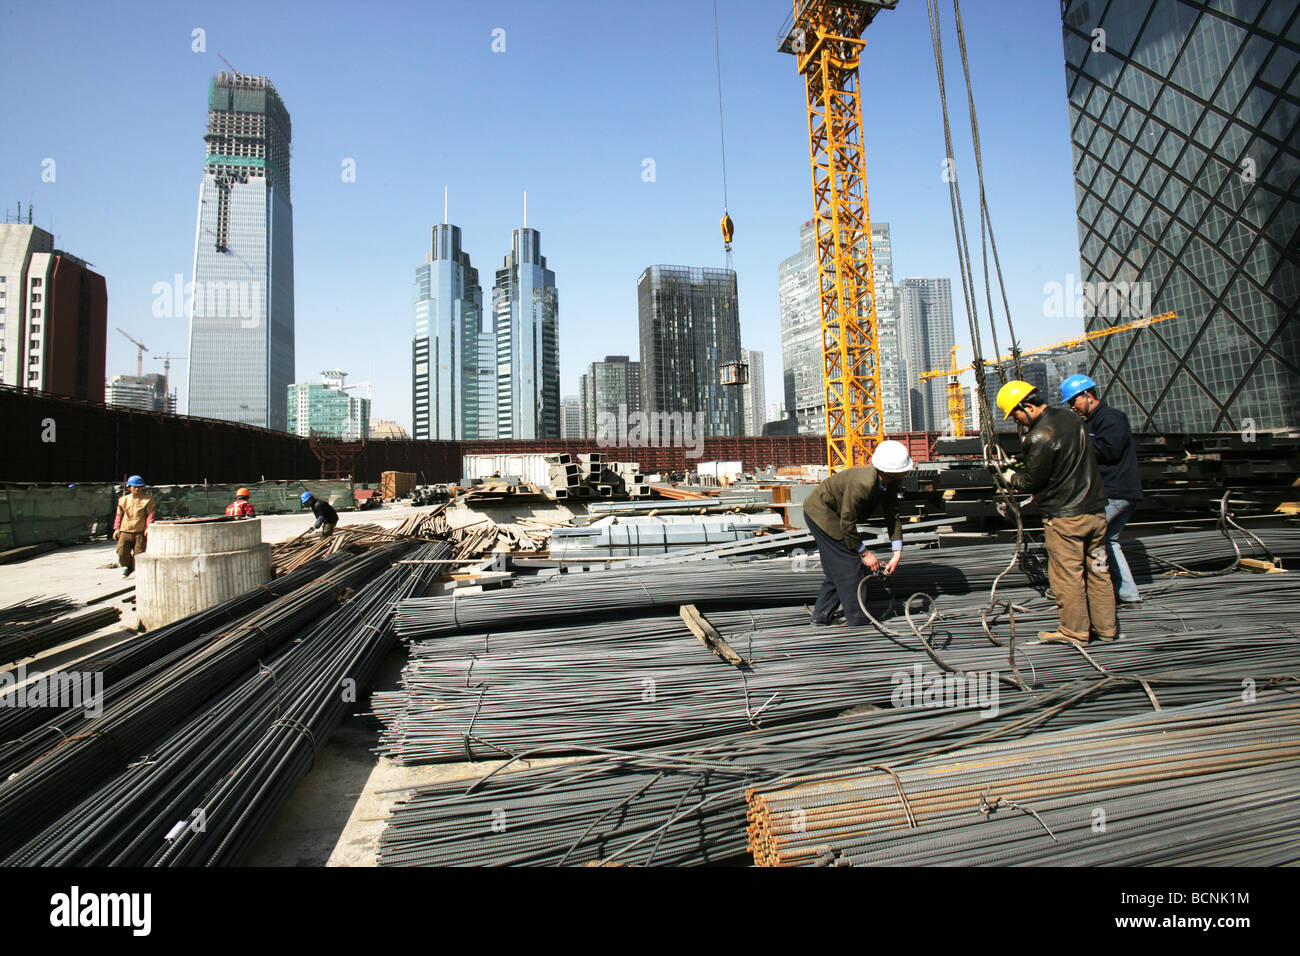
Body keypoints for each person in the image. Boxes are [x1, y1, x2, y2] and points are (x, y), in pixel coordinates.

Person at [997, 381, 1117, 645]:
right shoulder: (1072, 419)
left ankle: (1074, 631)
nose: (1016, 421)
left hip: (1066, 520)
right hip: (1095, 514)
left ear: (1026, 406)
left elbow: (1032, 482)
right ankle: (1106, 628)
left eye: (1015, 414)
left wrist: (1011, 476)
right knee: (1098, 569)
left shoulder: (1039, 436)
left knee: (1067, 576)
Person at [802, 439, 915, 627]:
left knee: (837, 567)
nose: (909, 470)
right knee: (849, 565)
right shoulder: (863, 484)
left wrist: (897, 552)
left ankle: (821, 614)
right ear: (891, 471)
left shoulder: (890, 482)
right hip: (821, 513)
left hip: (836, 515)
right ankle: (858, 618)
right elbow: (847, 524)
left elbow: (892, 515)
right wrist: (865, 553)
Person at [1060, 374, 1142, 604]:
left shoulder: (1111, 418)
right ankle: (1127, 594)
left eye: (1073, 401)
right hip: (1114, 492)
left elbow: (1110, 451)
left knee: (1089, 539)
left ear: (1088, 396)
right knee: (1109, 541)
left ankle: (1096, 594)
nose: (1072, 407)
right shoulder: (1090, 423)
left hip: (1115, 492)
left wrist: (1075, 441)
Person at [113, 475, 156, 577]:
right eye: (135, 487)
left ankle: (137, 571)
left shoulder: (147, 500)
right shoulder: (123, 500)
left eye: (140, 487)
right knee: (121, 552)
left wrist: (148, 528)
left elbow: (150, 515)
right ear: (129, 487)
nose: (137, 489)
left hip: (139, 532)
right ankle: (129, 566)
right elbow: (119, 515)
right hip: (125, 530)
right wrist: (117, 528)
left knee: (139, 554)